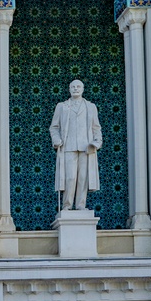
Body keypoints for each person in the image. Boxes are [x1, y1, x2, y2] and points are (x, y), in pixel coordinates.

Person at [50, 79, 102, 212]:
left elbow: (96, 128)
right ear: (69, 89)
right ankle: (67, 205)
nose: (76, 89)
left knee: (83, 178)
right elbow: (54, 127)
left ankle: (80, 205)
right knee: (70, 177)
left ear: (83, 89)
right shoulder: (62, 106)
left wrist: (97, 142)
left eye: (78, 86)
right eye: (73, 86)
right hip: (68, 146)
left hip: (86, 147)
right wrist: (56, 139)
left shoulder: (90, 107)